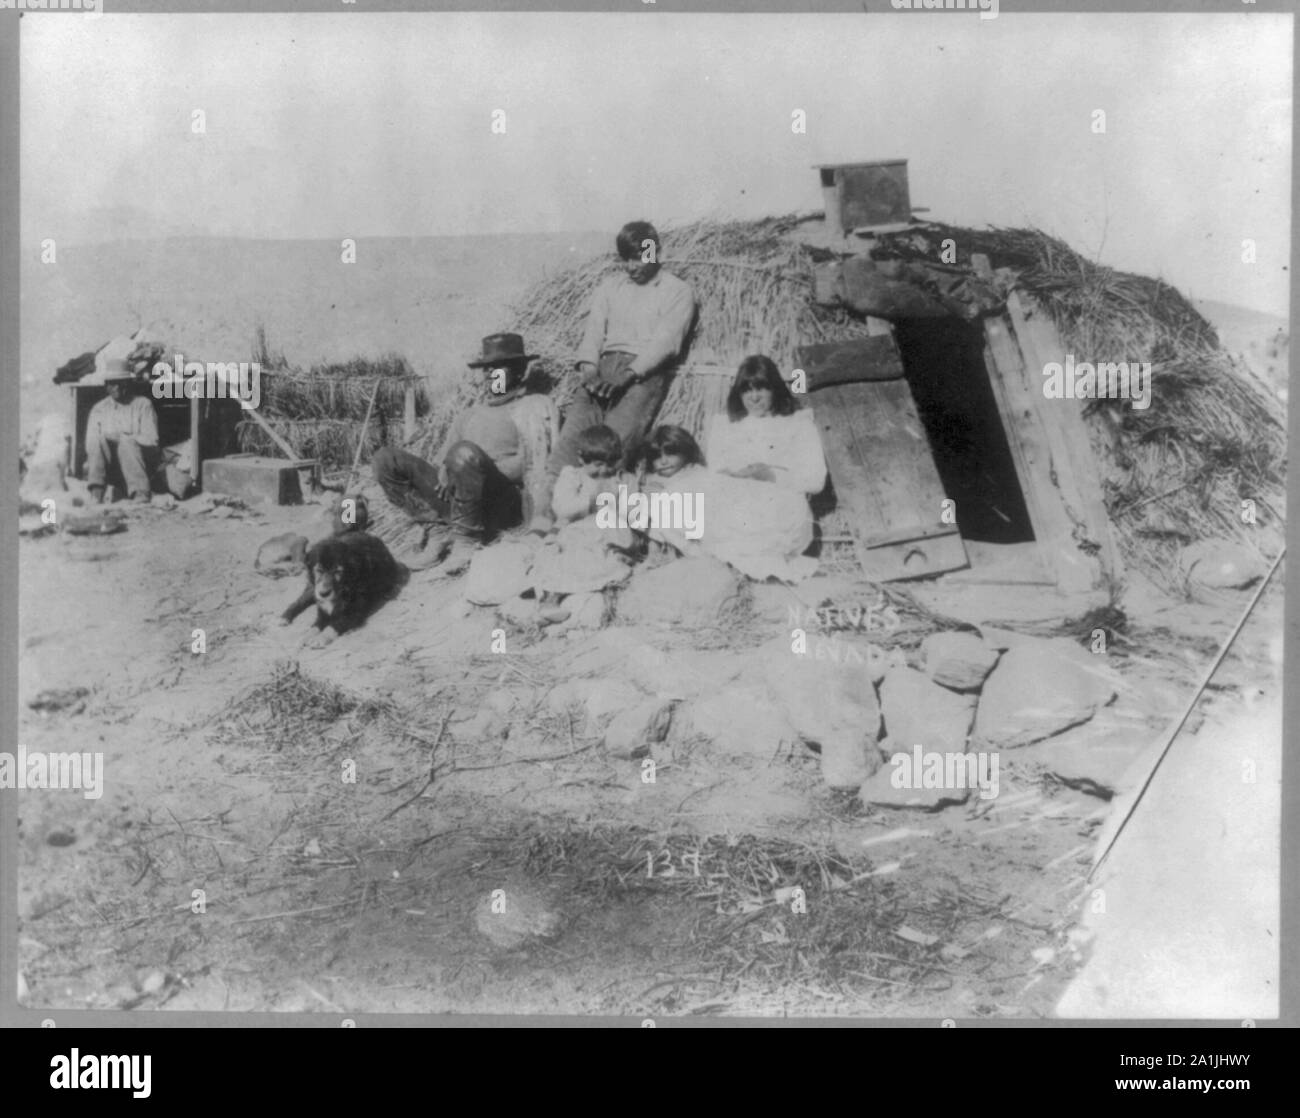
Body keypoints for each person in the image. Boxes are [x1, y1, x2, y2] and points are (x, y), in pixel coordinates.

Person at [533, 220, 696, 531]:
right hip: (602, 369)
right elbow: (593, 333)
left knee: (613, 447)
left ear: (655, 251)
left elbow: (666, 341)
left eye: (640, 257)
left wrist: (630, 375)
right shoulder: (610, 288)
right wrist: (590, 370)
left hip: (642, 374)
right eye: (627, 259)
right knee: (571, 442)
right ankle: (544, 516)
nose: (633, 266)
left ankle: (595, 525)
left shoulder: (677, 291)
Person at [372, 333, 558, 574]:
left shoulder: (532, 406)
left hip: (498, 503)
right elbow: (442, 462)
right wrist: (446, 470)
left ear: (519, 371)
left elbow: (534, 464)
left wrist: (471, 467)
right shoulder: (469, 415)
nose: (492, 374)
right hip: (459, 500)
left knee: (463, 453)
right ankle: (437, 529)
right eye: (487, 369)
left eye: (499, 368)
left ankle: (467, 542)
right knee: (386, 459)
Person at [635, 423, 819, 583]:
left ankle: (711, 555)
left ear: (685, 453)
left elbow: (713, 490)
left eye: (671, 453)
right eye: (657, 457)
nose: (664, 461)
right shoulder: (659, 481)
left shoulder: (694, 473)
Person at [529, 425, 637, 622]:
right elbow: (562, 507)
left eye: (609, 464)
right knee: (567, 559)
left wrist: (618, 504)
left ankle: (580, 595)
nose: (604, 470)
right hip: (578, 531)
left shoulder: (624, 479)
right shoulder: (573, 475)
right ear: (581, 458)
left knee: (608, 561)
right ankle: (550, 601)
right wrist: (590, 499)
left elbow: (633, 514)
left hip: (611, 534)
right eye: (597, 464)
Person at [704, 354, 827, 498]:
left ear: (775, 389)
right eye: (747, 390)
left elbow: (816, 480)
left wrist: (772, 475)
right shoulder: (725, 426)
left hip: (783, 506)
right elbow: (713, 474)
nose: (754, 397)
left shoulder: (798, 424)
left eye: (761, 389)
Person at [85, 359, 161, 504]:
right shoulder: (99, 408)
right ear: (106, 386)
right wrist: (107, 439)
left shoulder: (143, 405)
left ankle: (141, 493)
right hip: (110, 469)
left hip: (140, 466)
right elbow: (90, 446)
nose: (117, 388)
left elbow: (152, 440)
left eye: (121, 383)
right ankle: (96, 493)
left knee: (127, 442)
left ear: (128, 383)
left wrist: (123, 438)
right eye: (112, 384)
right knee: (97, 439)